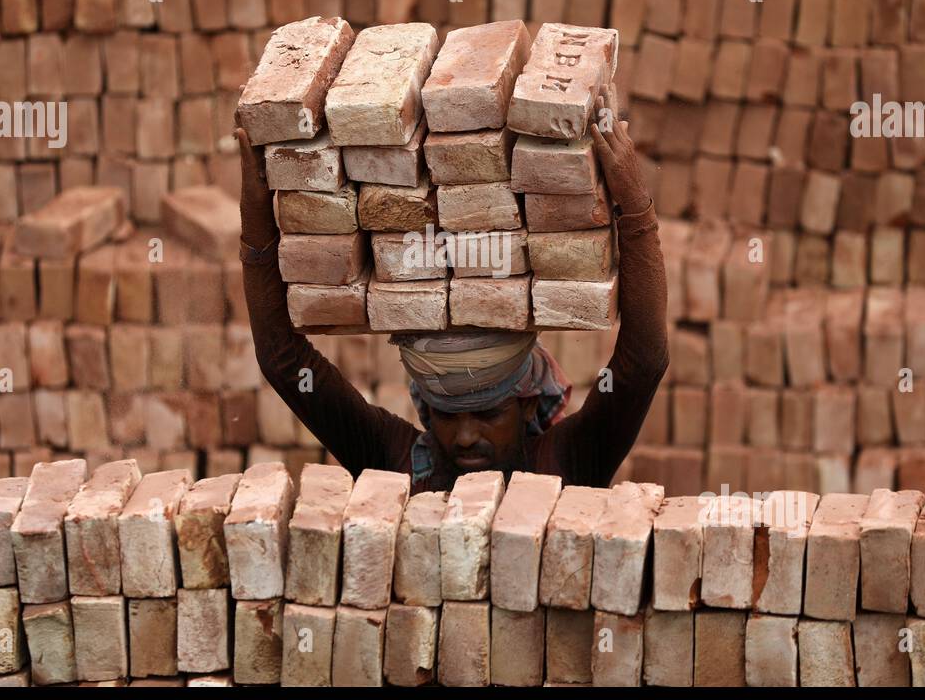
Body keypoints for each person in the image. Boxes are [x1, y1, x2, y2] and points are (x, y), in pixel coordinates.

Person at [237, 92, 668, 493]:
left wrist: (635, 209)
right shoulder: (395, 461)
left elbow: (643, 363)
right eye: (445, 415)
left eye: (487, 414)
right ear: (424, 405)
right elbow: (284, 361)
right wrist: (257, 216)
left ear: (527, 404)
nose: (464, 438)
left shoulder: (568, 461)